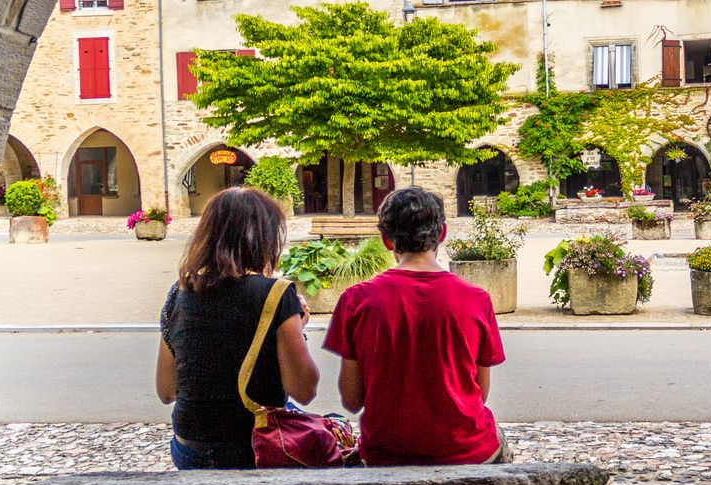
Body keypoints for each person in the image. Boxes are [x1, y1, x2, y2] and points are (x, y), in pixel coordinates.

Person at [323, 186, 508, 465]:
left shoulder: (356, 300)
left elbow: (351, 400)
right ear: (442, 234)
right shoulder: (476, 299)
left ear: (387, 240)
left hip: (386, 452)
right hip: (467, 451)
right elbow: (479, 395)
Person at [156, 186, 319, 469]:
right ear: (265, 238)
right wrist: (298, 329)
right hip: (251, 448)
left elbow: (166, 391)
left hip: (189, 449)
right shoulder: (275, 294)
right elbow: (304, 389)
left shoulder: (179, 294)